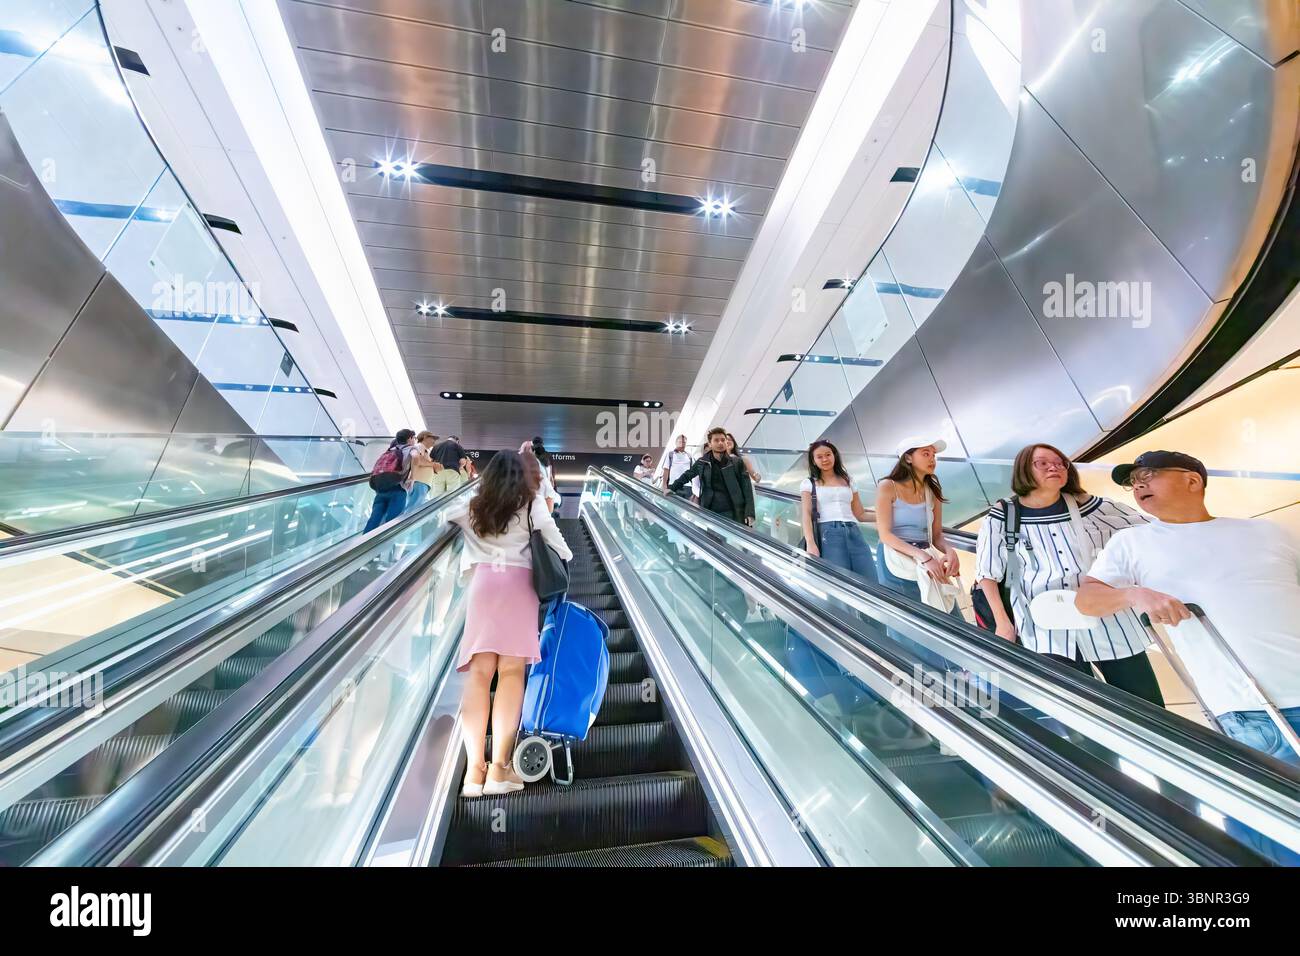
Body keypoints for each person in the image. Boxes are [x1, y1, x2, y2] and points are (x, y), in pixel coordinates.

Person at [1076, 451, 1300, 763]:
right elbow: (1086, 601)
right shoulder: (1131, 543)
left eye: (1147, 476)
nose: (1138, 486)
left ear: (1192, 480)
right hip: (1253, 712)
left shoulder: (1269, 532)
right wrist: (1135, 595)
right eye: (1133, 483)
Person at [975, 443, 1162, 704]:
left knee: (1146, 703)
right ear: (1023, 471)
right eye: (1042, 463)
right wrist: (1003, 623)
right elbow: (987, 572)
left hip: (1109, 620)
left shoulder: (1094, 507)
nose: (1055, 466)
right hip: (1044, 625)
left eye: (1060, 462)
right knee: (1081, 707)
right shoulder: (1004, 515)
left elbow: (1150, 530)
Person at [447, 451, 573, 797]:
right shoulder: (531, 504)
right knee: (512, 673)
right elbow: (560, 547)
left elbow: (441, 516)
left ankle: (474, 772)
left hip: (483, 585)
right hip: (518, 585)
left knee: (479, 673)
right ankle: (500, 769)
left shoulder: (472, 504)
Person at [875, 438, 961, 608]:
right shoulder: (887, 486)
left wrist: (950, 551)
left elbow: (936, 536)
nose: (932, 459)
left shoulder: (933, 490)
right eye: (926, 453)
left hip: (926, 558)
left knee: (946, 611)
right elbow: (884, 534)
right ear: (908, 458)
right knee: (908, 618)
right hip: (896, 558)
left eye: (934, 455)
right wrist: (923, 556)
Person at [799, 440, 877, 582]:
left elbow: (860, 514)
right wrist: (810, 543)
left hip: (853, 532)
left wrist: (888, 515)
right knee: (839, 581)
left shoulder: (848, 480)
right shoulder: (809, 483)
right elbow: (806, 515)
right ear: (813, 461)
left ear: (834, 455)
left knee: (869, 579)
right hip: (828, 534)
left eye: (828, 454)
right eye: (819, 456)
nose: (825, 459)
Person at [668, 426, 755, 526]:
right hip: (710, 510)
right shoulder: (703, 462)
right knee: (713, 539)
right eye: (716, 440)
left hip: (732, 510)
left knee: (732, 540)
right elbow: (687, 475)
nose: (720, 443)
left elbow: (746, 486)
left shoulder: (736, 462)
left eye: (723, 440)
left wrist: (750, 513)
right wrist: (672, 488)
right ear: (710, 444)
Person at [363, 429, 416, 533]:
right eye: (414, 438)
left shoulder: (390, 450)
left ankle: (362, 545)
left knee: (374, 519)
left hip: (381, 488)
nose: (414, 440)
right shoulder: (411, 448)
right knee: (392, 521)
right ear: (410, 438)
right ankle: (384, 545)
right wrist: (413, 477)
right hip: (397, 488)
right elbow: (416, 457)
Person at [405, 431, 441, 511]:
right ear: (425, 437)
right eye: (433, 438)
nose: (434, 441)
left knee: (415, 507)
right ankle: (407, 523)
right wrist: (433, 464)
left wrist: (435, 466)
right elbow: (418, 460)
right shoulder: (419, 446)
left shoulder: (426, 451)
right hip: (419, 482)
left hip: (422, 482)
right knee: (413, 509)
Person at [662, 434, 694, 499]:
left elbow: (693, 472)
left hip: (687, 486)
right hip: (673, 485)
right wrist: (664, 485)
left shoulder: (689, 456)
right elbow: (666, 470)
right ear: (676, 443)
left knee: (686, 507)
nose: (682, 444)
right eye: (680, 442)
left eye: (684, 442)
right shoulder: (670, 454)